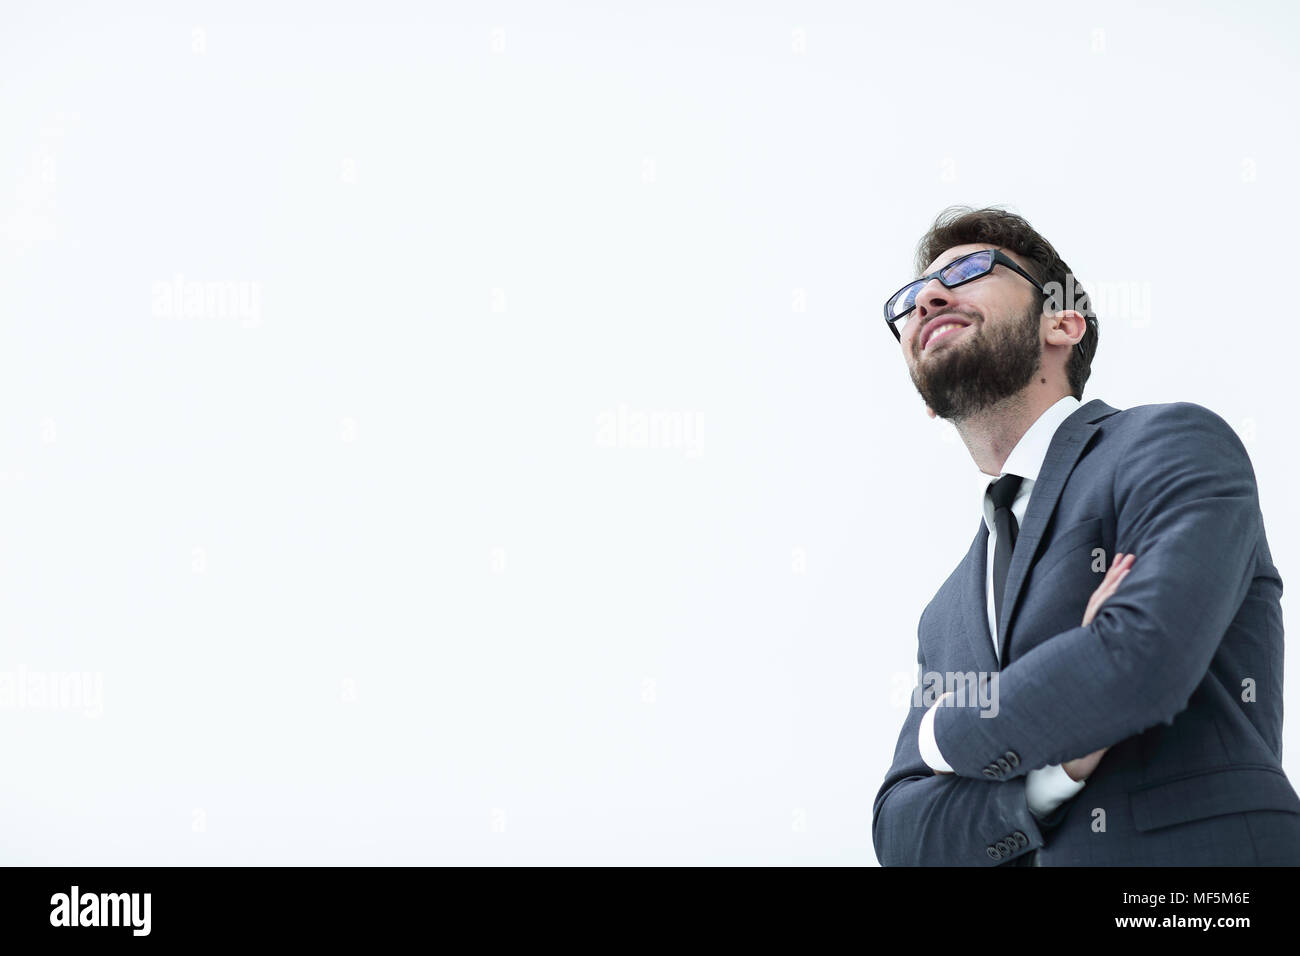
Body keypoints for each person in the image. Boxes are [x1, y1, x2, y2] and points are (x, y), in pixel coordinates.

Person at [871, 206, 1300, 865]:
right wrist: (1057, 771)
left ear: (1063, 322)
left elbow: (1141, 659)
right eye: (909, 301)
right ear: (926, 395)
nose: (928, 297)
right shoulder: (944, 615)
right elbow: (903, 836)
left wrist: (938, 734)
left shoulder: (1171, 443)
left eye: (969, 271)